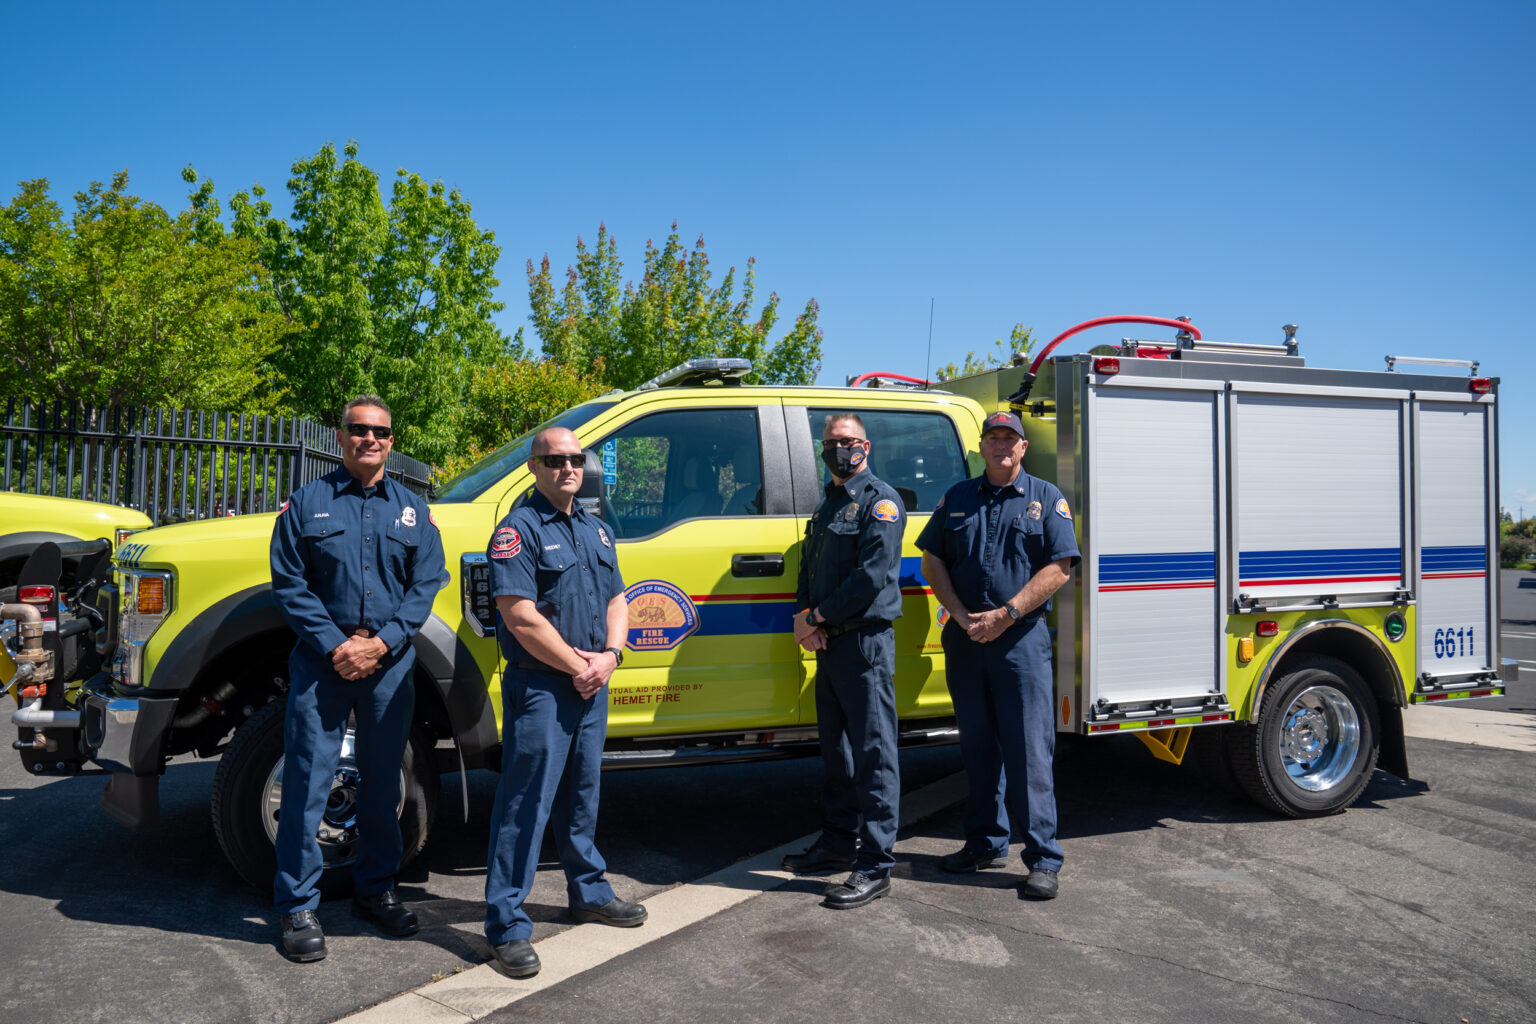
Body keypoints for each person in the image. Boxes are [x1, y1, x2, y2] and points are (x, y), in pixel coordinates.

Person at [269, 395, 446, 962]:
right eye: (359, 429)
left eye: (381, 431)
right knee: (306, 782)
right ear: (341, 435)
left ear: (391, 441)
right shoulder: (306, 503)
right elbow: (289, 582)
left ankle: (376, 890)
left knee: (383, 781)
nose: (370, 438)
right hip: (322, 664)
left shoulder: (415, 512)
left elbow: (426, 584)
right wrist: (337, 645)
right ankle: (298, 905)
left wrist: (381, 643)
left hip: (388, 666)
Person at [483, 427, 645, 979]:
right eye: (554, 460)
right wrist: (581, 667)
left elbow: (618, 599)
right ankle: (506, 924)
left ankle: (589, 892)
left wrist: (611, 657)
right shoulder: (517, 531)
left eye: (576, 458)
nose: (568, 467)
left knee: (582, 795)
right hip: (544, 688)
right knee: (525, 804)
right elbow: (520, 616)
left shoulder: (597, 529)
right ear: (534, 467)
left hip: (591, 683)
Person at [916, 410, 1079, 900]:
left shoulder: (1045, 498)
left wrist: (1006, 614)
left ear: (1023, 447)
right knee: (977, 747)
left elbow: (1060, 567)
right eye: (994, 437)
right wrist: (961, 615)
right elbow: (932, 559)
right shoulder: (957, 497)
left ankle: (1043, 858)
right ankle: (985, 843)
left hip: (1020, 644)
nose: (1002, 445)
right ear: (981, 446)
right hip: (966, 640)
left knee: (1028, 752)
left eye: (1011, 438)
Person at [783, 412, 907, 909]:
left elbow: (870, 577)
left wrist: (817, 616)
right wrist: (805, 618)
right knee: (837, 753)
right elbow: (809, 567)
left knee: (875, 756)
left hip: (863, 644)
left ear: (865, 446)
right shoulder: (827, 503)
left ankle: (875, 866)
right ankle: (837, 843)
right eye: (831, 442)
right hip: (829, 644)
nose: (839, 449)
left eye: (848, 441)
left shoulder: (880, 503)